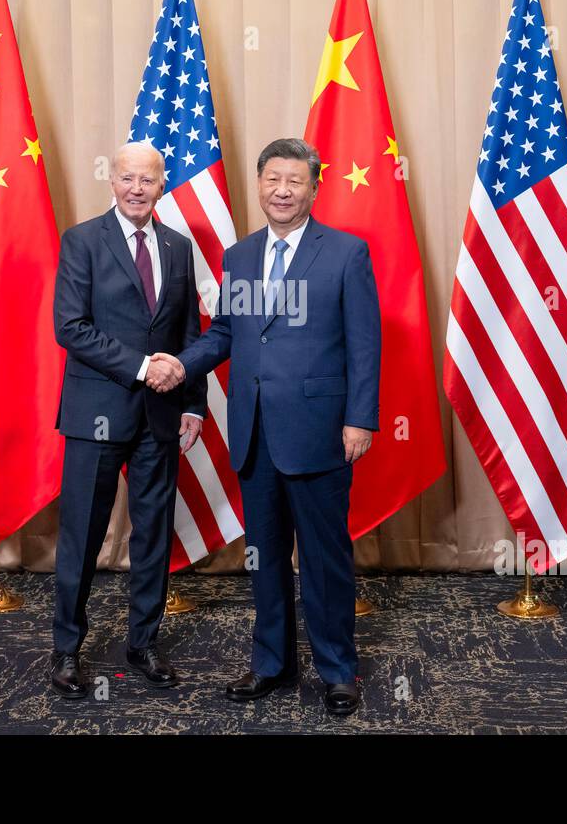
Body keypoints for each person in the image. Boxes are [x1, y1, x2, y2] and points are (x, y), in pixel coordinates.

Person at [147, 137, 380, 716]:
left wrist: (360, 418)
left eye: (294, 181)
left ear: (313, 187)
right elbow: (226, 331)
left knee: (325, 560)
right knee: (265, 556)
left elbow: (366, 344)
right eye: (272, 179)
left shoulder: (347, 253)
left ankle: (337, 670)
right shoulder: (240, 256)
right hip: (254, 431)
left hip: (320, 431)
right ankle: (272, 663)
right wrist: (182, 363)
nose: (282, 190)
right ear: (259, 184)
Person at [49, 141, 204, 698]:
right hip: (95, 413)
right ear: (111, 181)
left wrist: (192, 400)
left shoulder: (179, 248)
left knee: (154, 537)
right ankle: (67, 649)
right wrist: (141, 367)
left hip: (161, 417)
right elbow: (71, 328)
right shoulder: (83, 241)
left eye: (148, 180)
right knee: (83, 536)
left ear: (163, 185)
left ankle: (143, 643)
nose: (137, 188)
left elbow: (188, 332)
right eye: (127, 178)